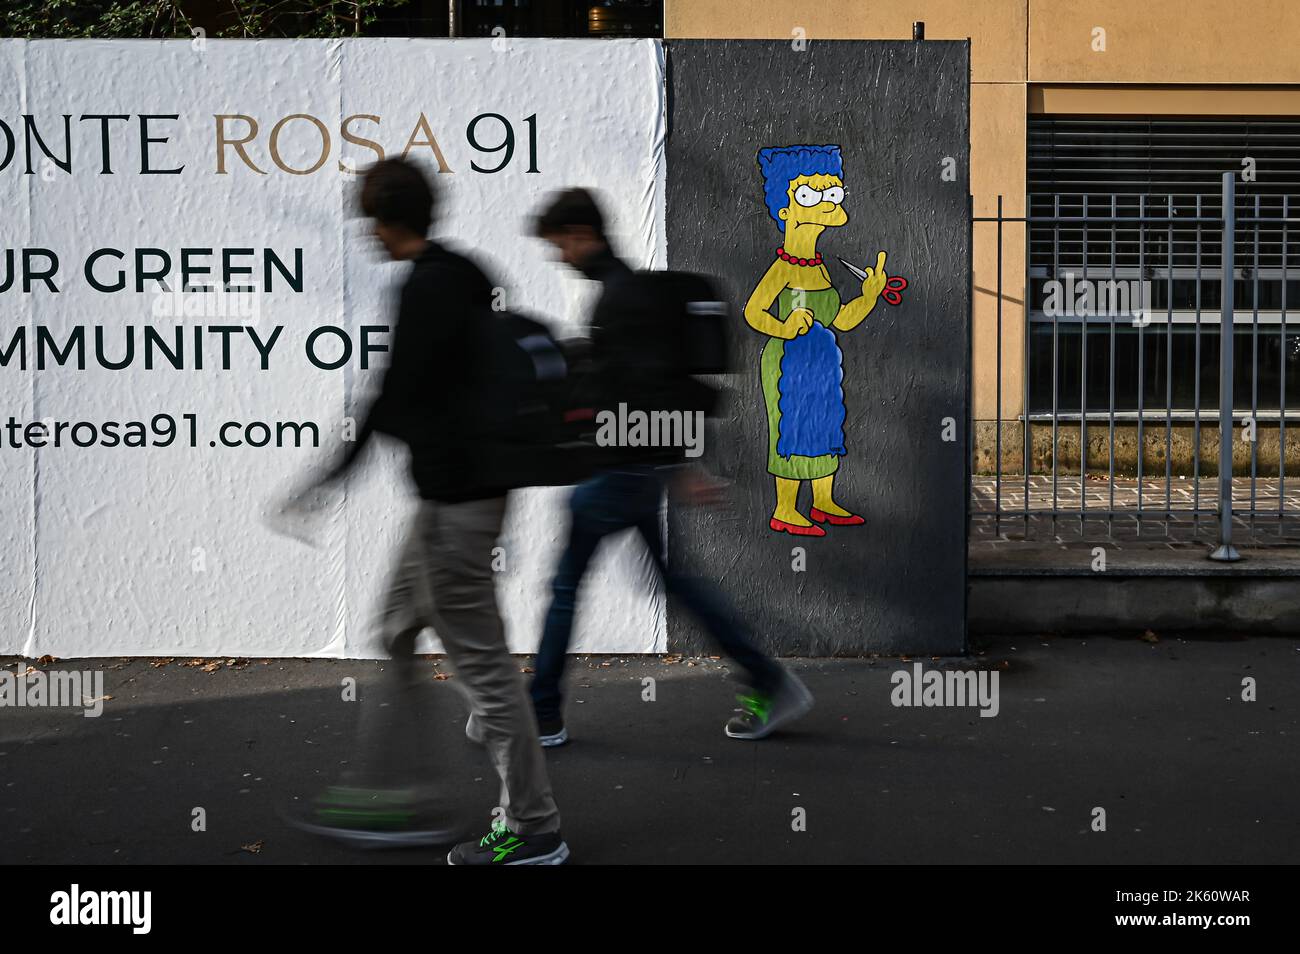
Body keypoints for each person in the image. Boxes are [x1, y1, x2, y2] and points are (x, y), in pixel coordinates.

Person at [279, 157, 567, 865]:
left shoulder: (429, 288)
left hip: (456, 507)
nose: (368, 235)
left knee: (486, 672)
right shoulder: (467, 273)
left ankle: (533, 828)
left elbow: (393, 395)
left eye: (370, 221)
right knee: (396, 628)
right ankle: (401, 795)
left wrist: (328, 477)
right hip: (452, 501)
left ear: (388, 222)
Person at [528, 188, 814, 744]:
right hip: (633, 466)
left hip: (625, 468)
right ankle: (766, 678)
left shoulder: (620, 299)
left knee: (565, 585)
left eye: (560, 246)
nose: (559, 258)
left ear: (581, 236)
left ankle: (540, 712)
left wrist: (678, 464)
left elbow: (653, 388)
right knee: (672, 581)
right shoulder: (622, 295)